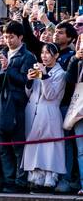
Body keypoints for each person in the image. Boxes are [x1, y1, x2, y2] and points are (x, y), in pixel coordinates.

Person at [0, 20, 34, 193]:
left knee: (18, 146)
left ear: (20, 37)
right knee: (3, 147)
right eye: (5, 36)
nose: (7, 40)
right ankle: (8, 180)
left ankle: (20, 181)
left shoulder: (28, 56)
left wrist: (8, 69)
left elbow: (26, 82)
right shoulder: (1, 53)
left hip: (16, 105)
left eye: (11, 37)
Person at [22, 42, 67, 192]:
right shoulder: (38, 69)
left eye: (48, 53)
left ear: (56, 56)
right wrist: (29, 80)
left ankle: (50, 179)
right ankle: (35, 178)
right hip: (33, 111)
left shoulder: (61, 74)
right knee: (34, 147)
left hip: (50, 112)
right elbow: (30, 94)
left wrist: (44, 76)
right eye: (43, 53)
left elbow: (50, 95)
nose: (44, 56)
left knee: (50, 146)